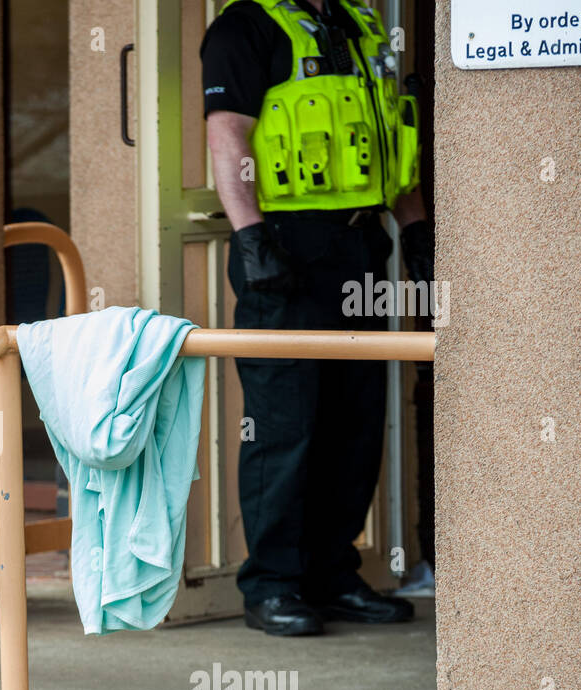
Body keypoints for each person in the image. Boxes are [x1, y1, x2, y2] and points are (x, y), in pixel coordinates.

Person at [201, 0, 431, 635]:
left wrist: (415, 231)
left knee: (354, 423)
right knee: (286, 424)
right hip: (284, 251)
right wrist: (251, 238)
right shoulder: (245, 27)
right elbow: (229, 135)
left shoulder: (359, 27)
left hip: (359, 247)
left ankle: (332, 574)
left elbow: (390, 136)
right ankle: (272, 584)